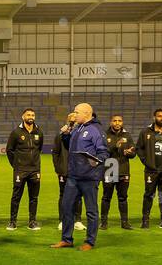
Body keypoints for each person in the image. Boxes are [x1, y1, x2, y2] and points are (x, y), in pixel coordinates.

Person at [51, 103, 107, 251]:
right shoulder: (78, 128)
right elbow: (68, 145)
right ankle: (66, 239)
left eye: (76, 112)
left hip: (89, 177)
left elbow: (103, 152)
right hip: (73, 176)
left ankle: (90, 242)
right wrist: (66, 131)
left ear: (87, 113)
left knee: (91, 211)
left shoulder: (96, 130)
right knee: (66, 207)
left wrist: (95, 160)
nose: (74, 115)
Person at [135, 110, 162, 229]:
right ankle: (145, 220)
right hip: (151, 170)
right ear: (154, 117)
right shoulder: (146, 132)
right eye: (159, 116)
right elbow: (139, 148)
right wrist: (146, 161)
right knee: (149, 194)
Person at [5, 107, 44, 231]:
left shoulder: (39, 132)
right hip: (20, 170)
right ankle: (12, 221)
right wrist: (16, 164)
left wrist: (36, 165)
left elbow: (39, 148)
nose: (31, 117)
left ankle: (32, 222)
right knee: (16, 196)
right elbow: (9, 150)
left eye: (32, 115)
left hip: (34, 170)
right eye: (28, 115)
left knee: (34, 197)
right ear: (23, 117)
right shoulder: (16, 132)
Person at [99, 113, 136, 230]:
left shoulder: (127, 135)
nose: (117, 123)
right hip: (110, 169)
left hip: (123, 169)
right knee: (106, 197)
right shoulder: (105, 135)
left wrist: (130, 153)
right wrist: (115, 146)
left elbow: (133, 152)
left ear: (122, 122)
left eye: (119, 121)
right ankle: (104, 222)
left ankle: (124, 222)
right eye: (115, 121)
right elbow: (103, 153)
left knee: (123, 197)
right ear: (111, 122)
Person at [52, 111, 83, 232]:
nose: (73, 122)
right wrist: (58, 168)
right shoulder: (60, 135)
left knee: (78, 196)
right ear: (67, 120)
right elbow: (55, 152)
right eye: (71, 120)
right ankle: (62, 220)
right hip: (64, 170)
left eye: (75, 120)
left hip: (79, 170)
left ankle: (78, 220)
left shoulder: (82, 135)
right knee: (63, 195)